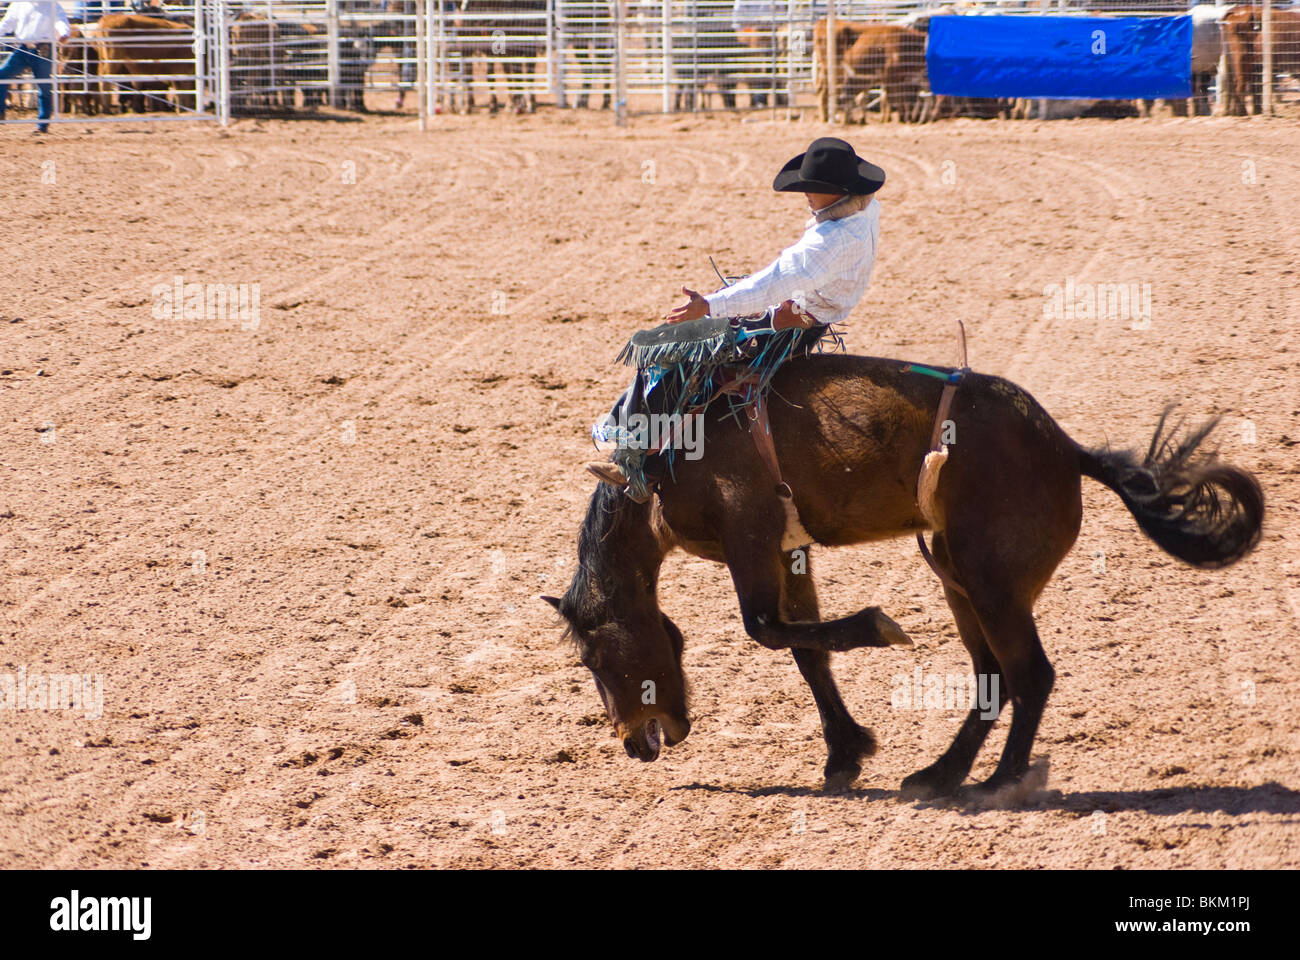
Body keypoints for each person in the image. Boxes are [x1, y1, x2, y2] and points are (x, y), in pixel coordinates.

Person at [586, 137, 885, 500]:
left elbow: (774, 283)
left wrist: (709, 306)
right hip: (798, 316)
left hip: (784, 328)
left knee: (673, 353)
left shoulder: (831, 242)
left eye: (813, 189)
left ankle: (640, 464)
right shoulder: (863, 212)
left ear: (839, 192)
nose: (805, 195)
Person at [0, 0, 71, 135]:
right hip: (23, 48)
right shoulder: (18, 4)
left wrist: (64, 33)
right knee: (1, 75)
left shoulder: (52, 5)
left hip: (43, 48)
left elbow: (61, 20)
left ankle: (42, 125)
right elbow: (7, 23)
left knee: (44, 86)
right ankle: (0, 112)